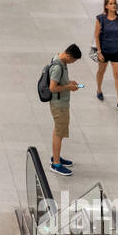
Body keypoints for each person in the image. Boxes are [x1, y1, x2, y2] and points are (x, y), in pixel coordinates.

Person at [47, 44, 83, 175]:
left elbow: (59, 82)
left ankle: (56, 157)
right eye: (73, 60)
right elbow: (52, 88)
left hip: (61, 104)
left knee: (58, 131)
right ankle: (56, 164)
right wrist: (68, 87)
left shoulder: (59, 58)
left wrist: (68, 82)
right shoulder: (58, 66)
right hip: (59, 105)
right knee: (59, 133)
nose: (72, 63)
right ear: (68, 56)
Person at [93, 0, 118, 113]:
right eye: (111, 3)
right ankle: (99, 90)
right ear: (106, 6)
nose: (113, 5)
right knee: (101, 72)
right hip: (104, 51)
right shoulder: (100, 19)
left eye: (114, 3)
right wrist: (99, 51)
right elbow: (96, 35)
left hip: (116, 51)